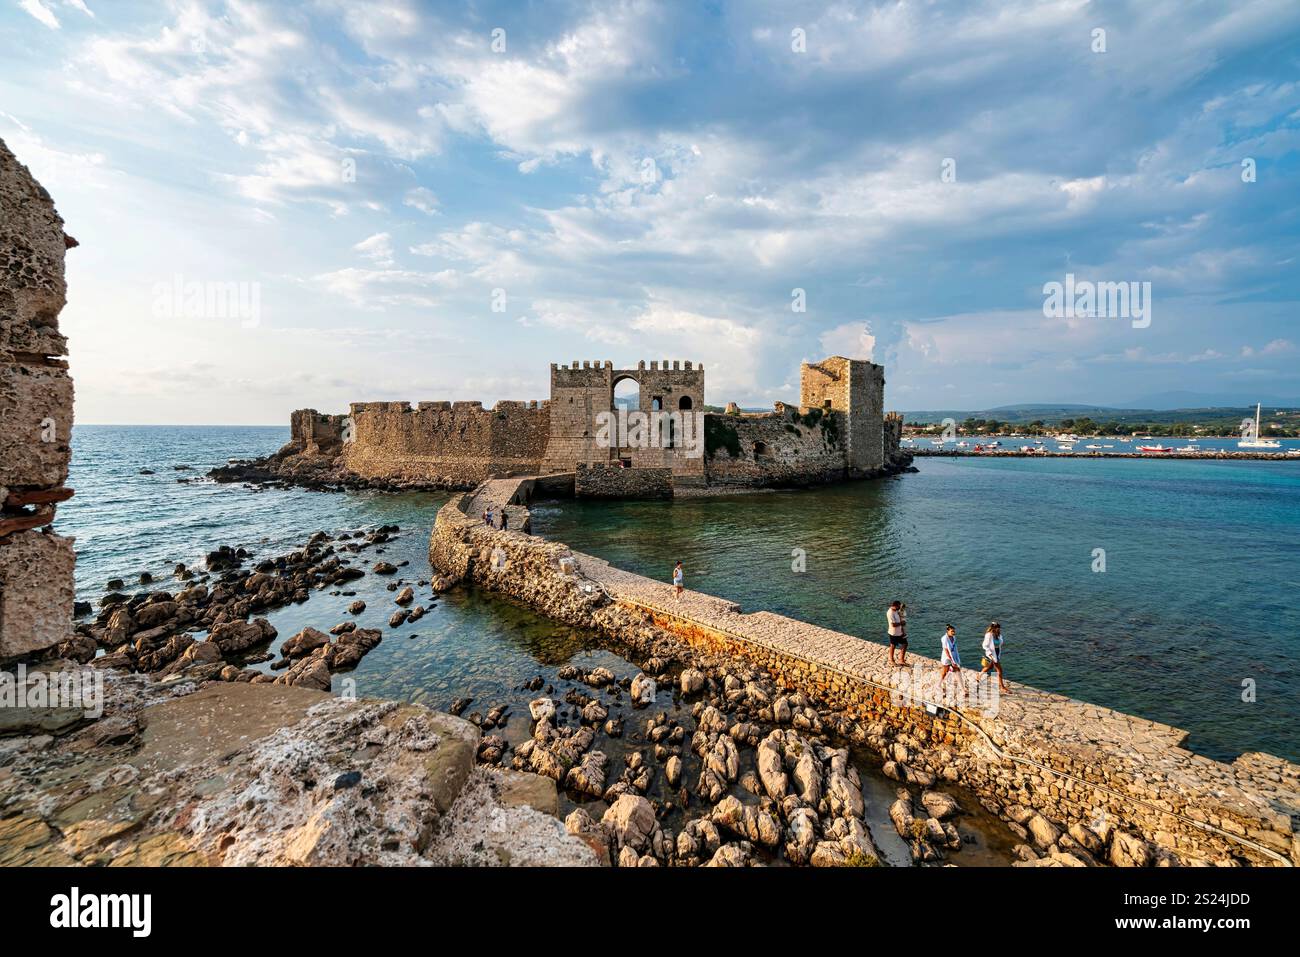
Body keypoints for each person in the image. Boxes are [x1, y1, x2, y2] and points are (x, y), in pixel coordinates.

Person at [978, 621, 1010, 694]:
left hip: (997, 653)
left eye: (999, 629)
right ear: (994, 628)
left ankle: (979, 676)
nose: (999, 630)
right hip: (992, 655)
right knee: (1000, 670)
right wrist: (990, 654)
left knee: (990, 667)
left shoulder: (998, 635)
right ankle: (1002, 687)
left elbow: (1000, 643)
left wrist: (999, 637)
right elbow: (984, 645)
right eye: (998, 629)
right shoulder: (989, 635)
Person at [886, 600, 907, 665]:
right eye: (898, 606)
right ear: (895, 606)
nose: (899, 607)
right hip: (893, 633)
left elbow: (900, 617)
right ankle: (891, 660)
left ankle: (901, 660)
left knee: (905, 644)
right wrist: (901, 623)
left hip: (900, 632)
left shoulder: (896, 611)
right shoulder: (890, 613)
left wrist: (903, 630)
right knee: (893, 646)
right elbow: (893, 625)